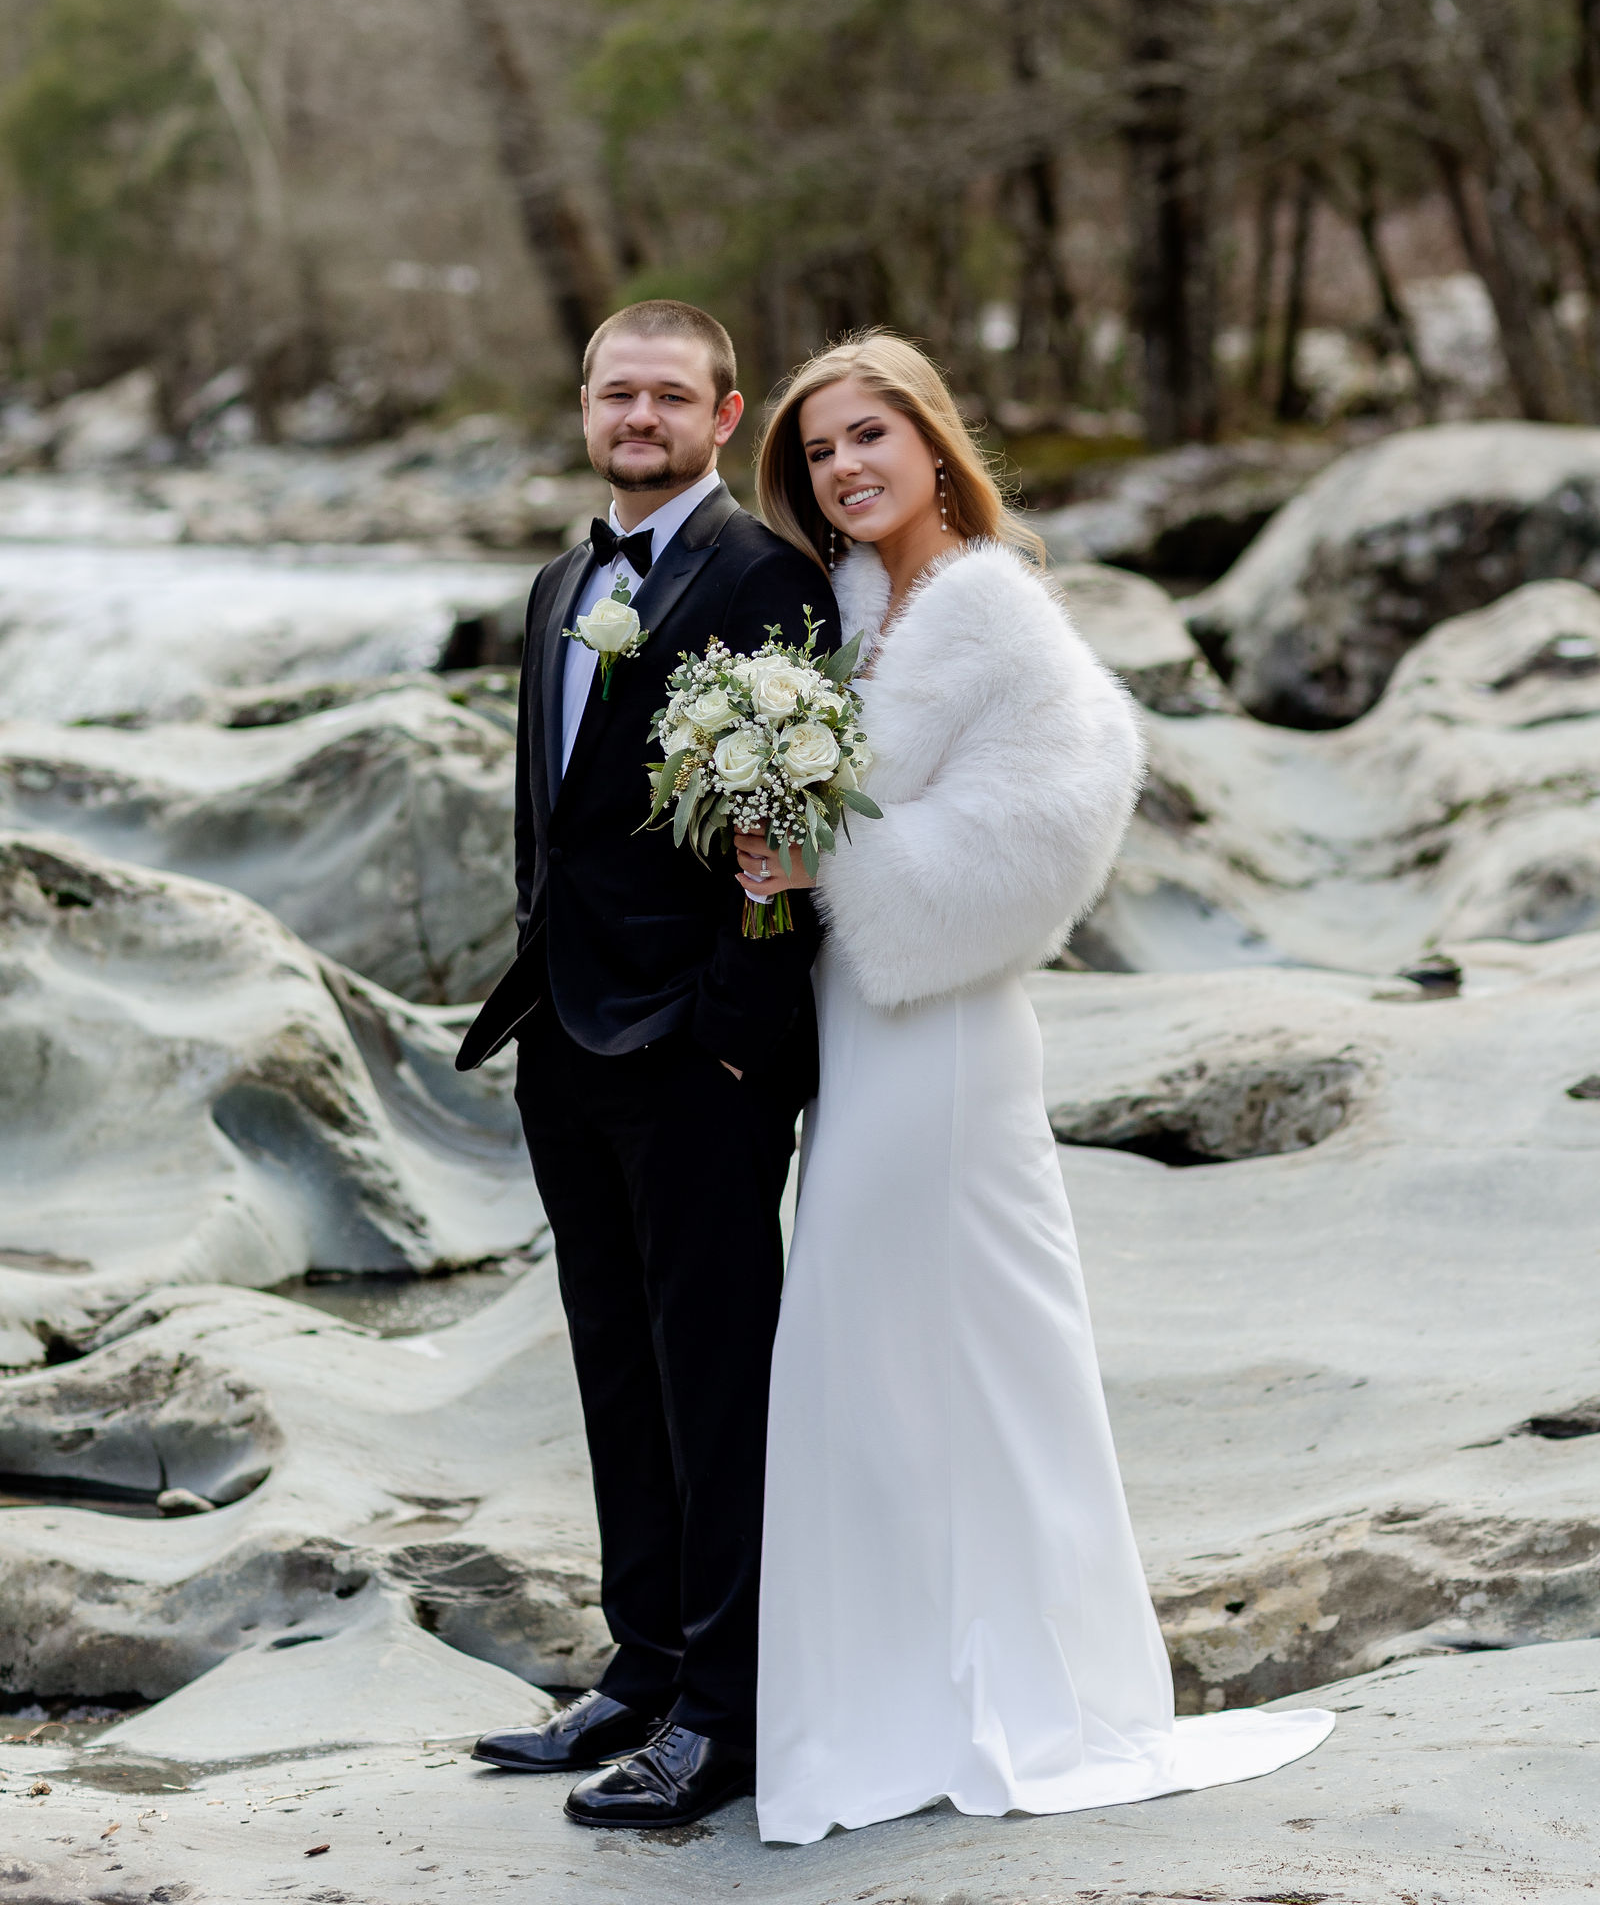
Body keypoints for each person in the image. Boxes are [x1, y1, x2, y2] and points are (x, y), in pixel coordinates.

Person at [739, 330, 1335, 1845]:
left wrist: (836, 860)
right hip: (858, 1023)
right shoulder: (849, 616)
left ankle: (1009, 1694)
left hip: (945, 1032)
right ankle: (892, 1691)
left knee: (949, 1348)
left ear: (938, 448)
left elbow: (1047, 838)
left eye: (872, 435)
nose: (846, 469)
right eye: (818, 452)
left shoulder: (997, 617)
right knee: (864, 1357)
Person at [457, 300, 839, 1832]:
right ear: (585, 402)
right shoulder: (561, 577)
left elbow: (794, 825)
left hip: (698, 1053)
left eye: (669, 396)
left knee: (714, 1381)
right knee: (615, 1359)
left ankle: (729, 1715)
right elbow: (551, 815)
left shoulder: (765, 581)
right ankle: (646, 1661)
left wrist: (743, 1038)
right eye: (618, 392)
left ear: (725, 415)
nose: (638, 415)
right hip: (565, 1035)